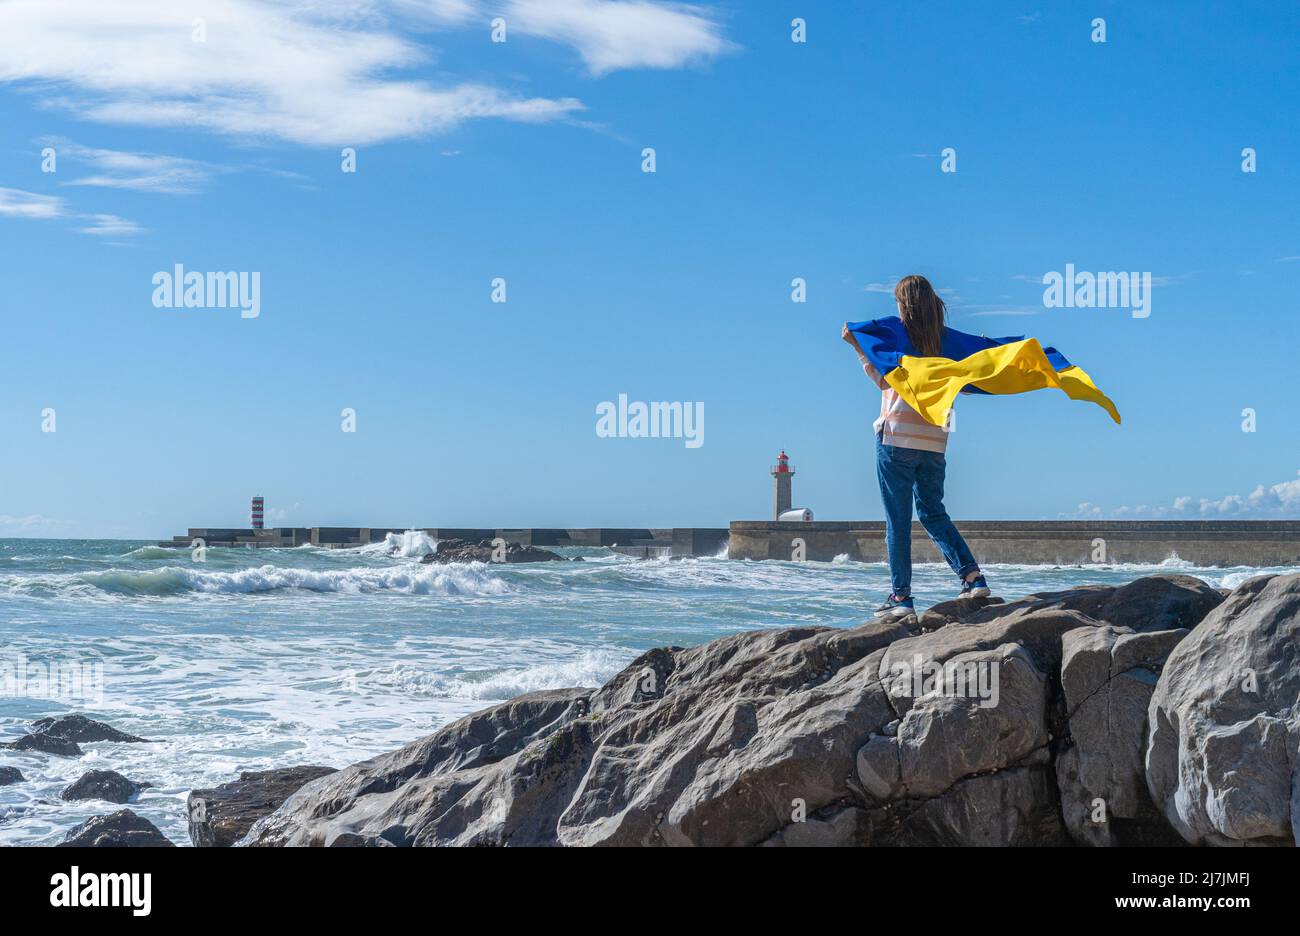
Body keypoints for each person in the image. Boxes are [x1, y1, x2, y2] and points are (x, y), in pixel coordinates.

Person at [841, 274, 990, 618]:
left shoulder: (897, 339)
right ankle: (973, 577)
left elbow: (883, 380)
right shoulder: (946, 345)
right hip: (935, 441)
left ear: (903, 304)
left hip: (896, 437)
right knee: (933, 513)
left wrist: (858, 348)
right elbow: (967, 386)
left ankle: (901, 598)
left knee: (898, 520)